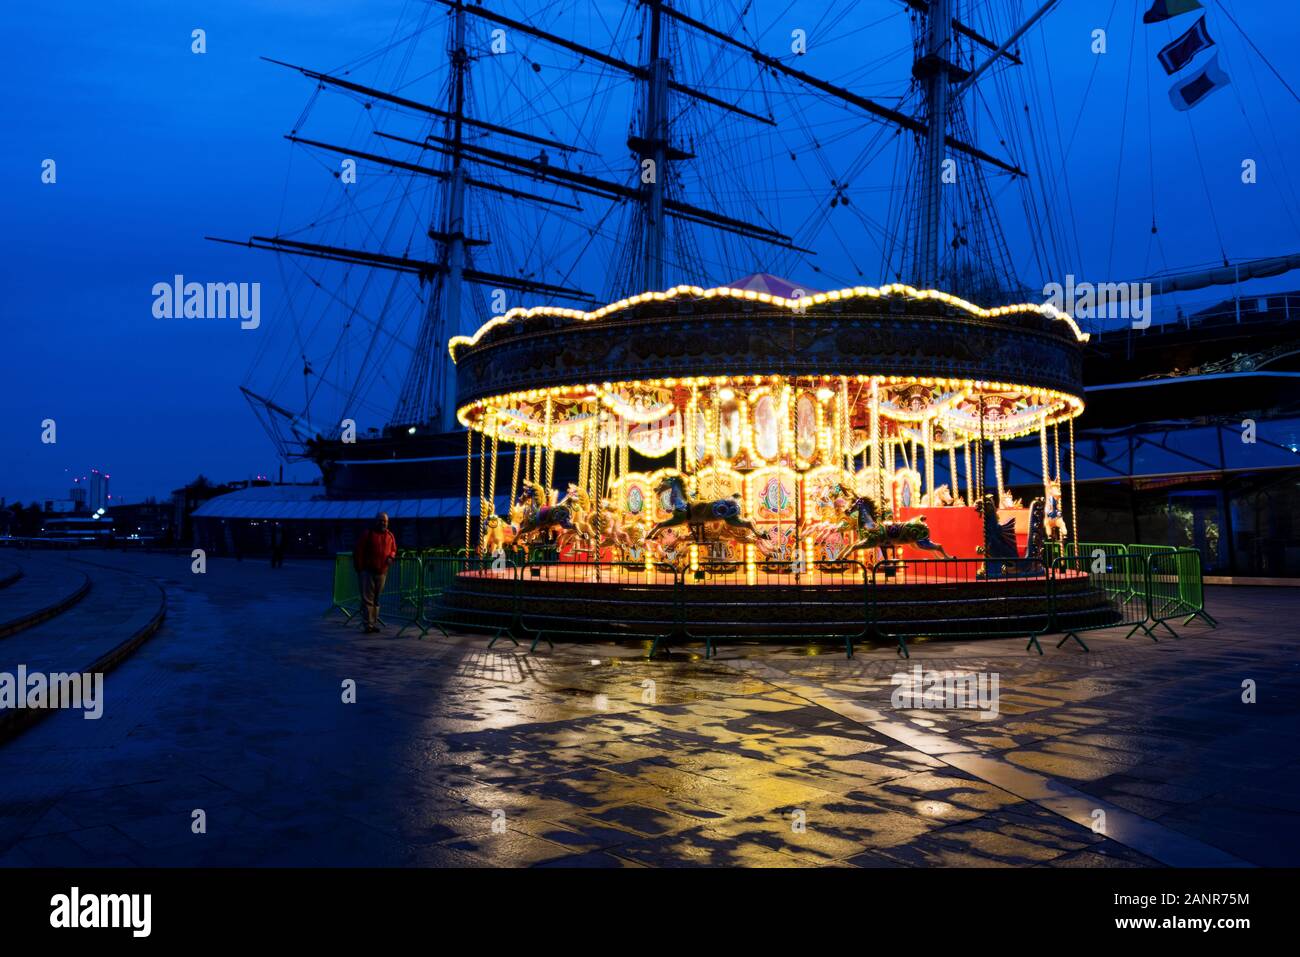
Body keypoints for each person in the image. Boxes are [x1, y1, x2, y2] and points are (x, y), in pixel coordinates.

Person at [353, 512, 397, 634]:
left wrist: (391, 557)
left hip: (382, 572)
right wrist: (360, 569)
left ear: (388, 523)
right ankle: (368, 625)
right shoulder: (368, 534)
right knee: (368, 599)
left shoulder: (390, 536)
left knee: (376, 599)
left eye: (385, 521)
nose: (383, 522)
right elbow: (359, 551)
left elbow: (394, 549)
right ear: (376, 521)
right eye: (381, 520)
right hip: (368, 571)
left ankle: (372, 623)